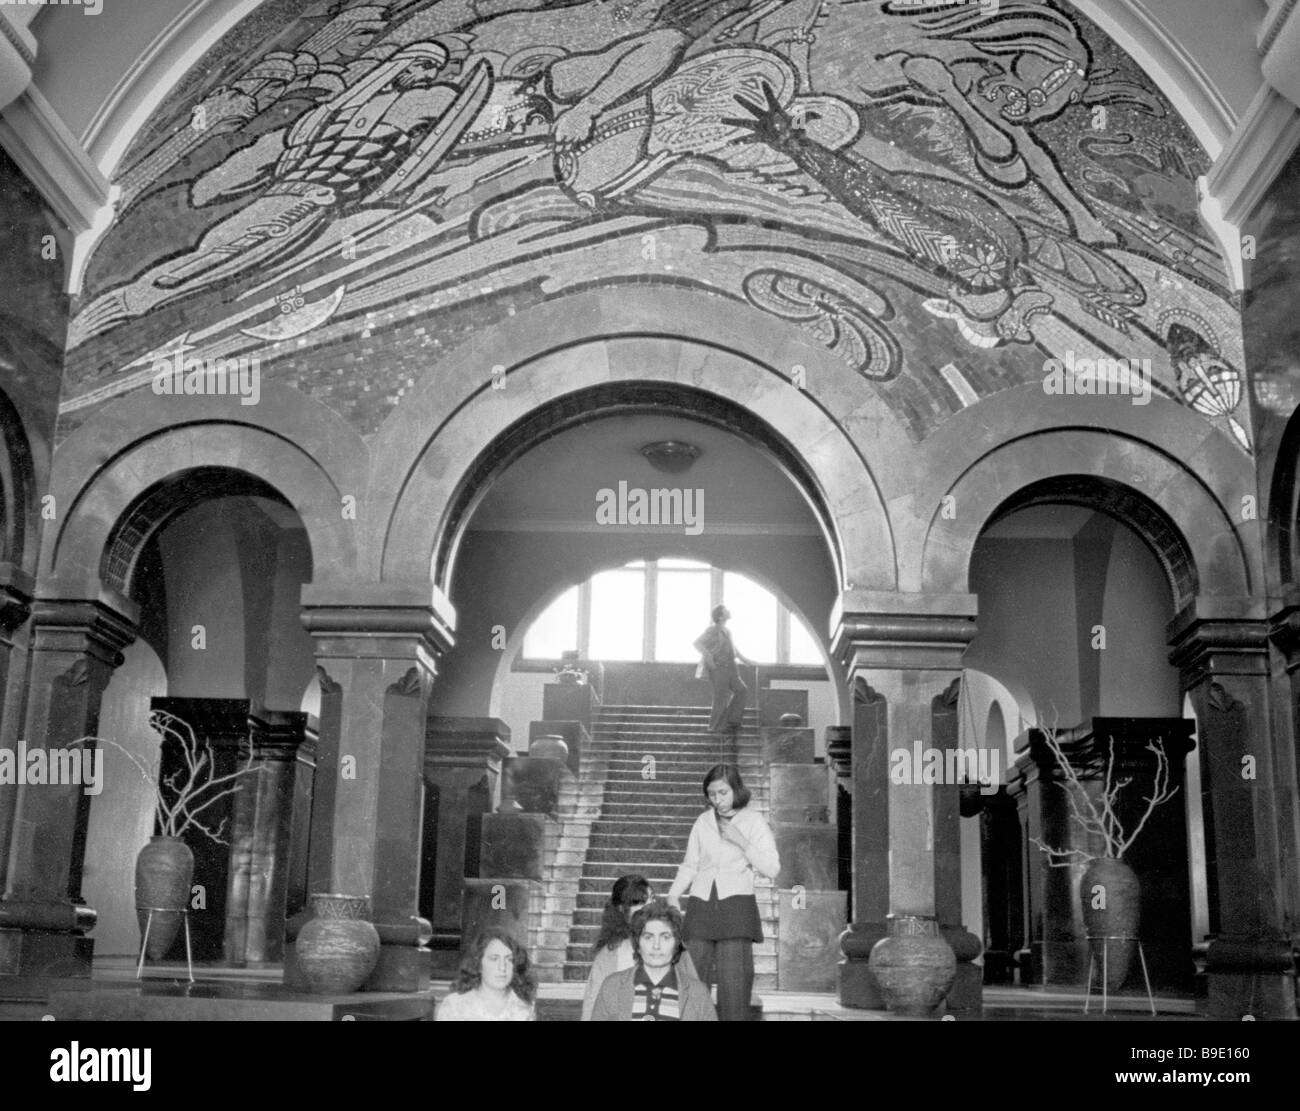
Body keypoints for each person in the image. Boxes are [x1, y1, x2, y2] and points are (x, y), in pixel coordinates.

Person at [667, 763, 779, 1021]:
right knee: (691, 984)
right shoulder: (703, 821)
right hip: (701, 907)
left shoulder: (753, 820)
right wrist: (674, 894)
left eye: (723, 793)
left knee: (735, 992)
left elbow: (772, 868)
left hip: (736, 910)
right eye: (712, 794)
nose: (717, 800)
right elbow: (690, 864)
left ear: (736, 790)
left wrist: (741, 841)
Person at [580, 873, 699, 1021]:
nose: (650, 907)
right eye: (641, 902)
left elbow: (695, 1000)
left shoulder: (675, 947)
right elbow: (592, 1008)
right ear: (622, 909)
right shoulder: (608, 956)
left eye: (652, 899)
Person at [589, 900, 717, 1021]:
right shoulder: (612, 986)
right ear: (637, 944)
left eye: (665, 937)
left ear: (676, 944)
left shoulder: (697, 993)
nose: (656, 946)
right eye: (648, 937)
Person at [435, 927, 536, 1020]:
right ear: (478, 963)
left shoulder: (524, 1008)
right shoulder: (455, 1007)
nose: (502, 967)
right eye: (494, 959)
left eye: (509, 959)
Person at [693, 604, 750, 734]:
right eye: (726, 611)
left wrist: (746, 660)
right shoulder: (712, 630)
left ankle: (732, 720)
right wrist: (708, 657)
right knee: (720, 698)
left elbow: (733, 649)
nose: (729, 611)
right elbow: (697, 643)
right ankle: (714, 728)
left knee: (741, 690)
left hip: (731, 667)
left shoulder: (727, 631)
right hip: (719, 669)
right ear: (720, 616)